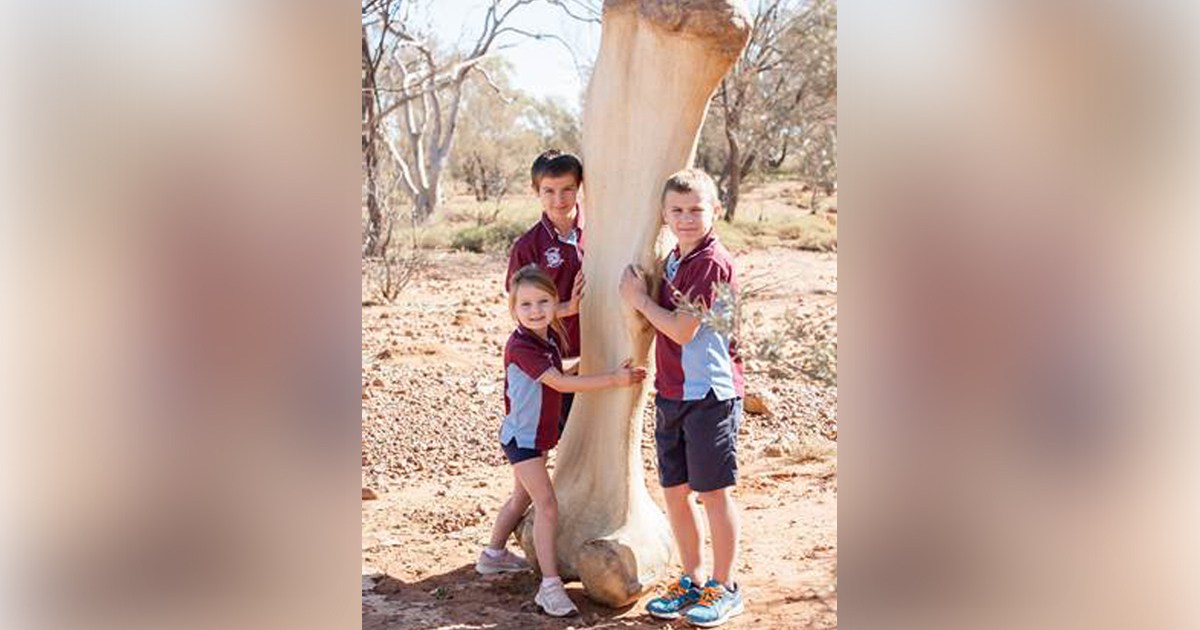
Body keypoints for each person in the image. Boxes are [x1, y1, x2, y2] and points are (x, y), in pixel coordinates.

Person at [477, 264, 646, 617]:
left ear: (555, 304)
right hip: (522, 441)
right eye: (525, 305)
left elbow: (563, 369)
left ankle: (492, 555)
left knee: (519, 498)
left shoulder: (546, 338)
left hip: (531, 437)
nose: (535, 310)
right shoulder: (522, 345)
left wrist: (595, 360)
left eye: (543, 302)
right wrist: (613, 380)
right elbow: (559, 382)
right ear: (513, 309)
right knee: (547, 505)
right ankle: (549, 586)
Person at [618, 168, 746, 627]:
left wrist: (638, 299)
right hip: (672, 391)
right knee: (675, 492)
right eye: (677, 210)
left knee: (713, 493)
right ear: (664, 215)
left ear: (715, 210)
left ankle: (725, 585)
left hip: (709, 393)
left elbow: (681, 328)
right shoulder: (673, 259)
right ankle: (690, 578)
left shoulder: (711, 261)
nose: (687, 218)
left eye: (696, 209)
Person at [506, 150, 586, 435]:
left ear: (580, 188)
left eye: (568, 189)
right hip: (556, 359)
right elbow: (519, 309)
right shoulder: (528, 246)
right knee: (555, 434)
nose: (559, 199)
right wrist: (567, 309)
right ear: (535, 191)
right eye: (549, 191)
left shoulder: (600, 233)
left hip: (600, 349)